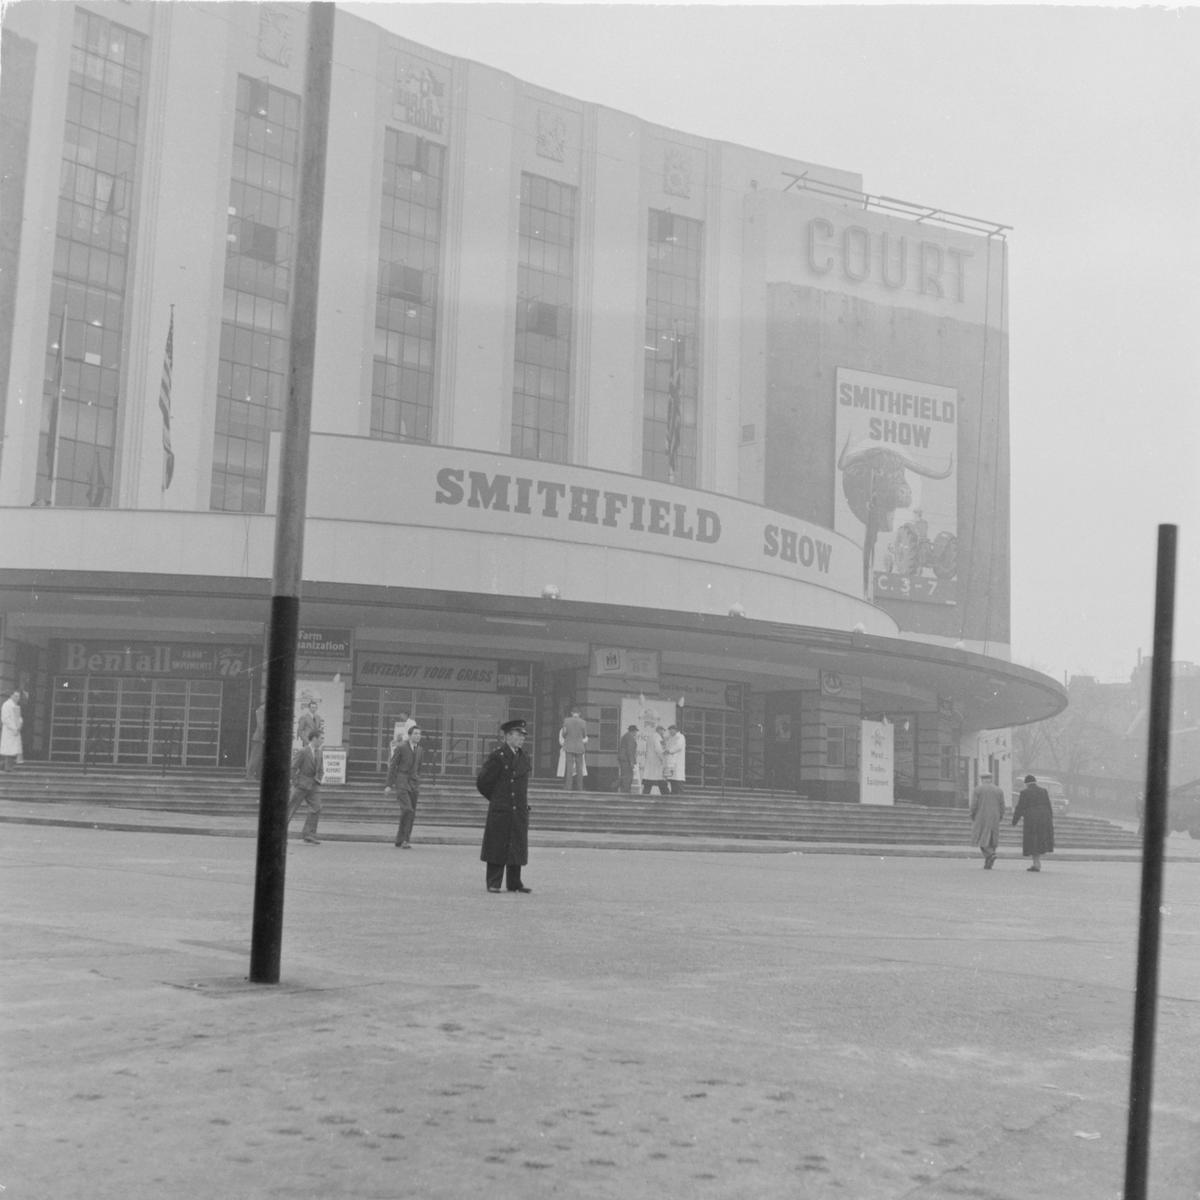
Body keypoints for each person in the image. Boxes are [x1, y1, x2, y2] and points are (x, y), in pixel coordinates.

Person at [476, 718, 532, 893]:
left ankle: (514, 882)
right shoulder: (498, 756)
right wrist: (497, 799)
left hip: (519, 809)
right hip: (502, 808)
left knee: (516, 844)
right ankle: (494, 882)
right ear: (508, 737)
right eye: (518, 735)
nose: (522, 739)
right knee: (497, 845)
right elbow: (483, 782)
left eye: (523, 736)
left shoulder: (524, 757)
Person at [385, 726, 424, 848]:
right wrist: (389, 784)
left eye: (419, 734)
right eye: (416, 733)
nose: (418, 736)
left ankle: (401, 839)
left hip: (414, 784)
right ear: (410, 735)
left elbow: (419, 767)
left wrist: (418, 780)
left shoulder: (420, 750)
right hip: (402, 781)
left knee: (410, 813)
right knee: (408, 809)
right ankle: (404, 839)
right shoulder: (401, 747)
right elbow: (393, 766)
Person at [287, 728, 324, 844]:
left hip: (314, 785)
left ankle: (309, 834)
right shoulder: (303, 751)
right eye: (321, 738)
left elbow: (321, 769)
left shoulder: (319, 752)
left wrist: (319, 779)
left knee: (316, 807)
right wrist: (295, 781)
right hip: (301, 784)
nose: (322, 741)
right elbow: (293, 767)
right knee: (290, 809)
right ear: (314, 739)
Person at [1012, 773, 1055, 872]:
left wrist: (1015, 821)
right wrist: (1050, 819)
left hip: (1031, 819)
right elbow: (1048, 805)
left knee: (1032, 841)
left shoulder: (1025, 793)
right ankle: (1036, 863)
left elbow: (1020, 808)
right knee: (1039, 841)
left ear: (1026, 784)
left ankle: (1036, 863)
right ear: (1035, 782)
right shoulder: (1044, 791)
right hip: (1044, 818)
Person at [969, 771, 1006, 868]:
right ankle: (988, 862)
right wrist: (1001, 815)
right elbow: (1002, 805)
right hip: (995, 817)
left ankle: (990, 854)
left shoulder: (978, 789)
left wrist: (972, 814)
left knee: (981, 838)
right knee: (992, 839)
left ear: (982, 779)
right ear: (991, 779)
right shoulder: (998, 790)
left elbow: (974, 805)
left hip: (981, 816)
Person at [559, 706, 588, 791]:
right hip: (579, 746)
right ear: (579, 713)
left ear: (571, 713)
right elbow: (584, 735)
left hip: (569, 746)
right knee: (579, 768)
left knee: (569, 767)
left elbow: (564, 733)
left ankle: (568, 787)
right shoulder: (583, 722)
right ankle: (580, 787)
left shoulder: (566, 721)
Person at [641, 725, 667, 795]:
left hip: (650, 762)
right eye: (663, 731)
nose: (663, 732)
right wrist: (663, 759)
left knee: (649, 781)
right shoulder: (658, 737)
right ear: (659, 730)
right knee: (660, 780)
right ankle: (667, 796)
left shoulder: (650, 737)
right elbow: (658, 749)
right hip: (656, 762)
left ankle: (644, 796)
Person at [661, 724, 687, 794]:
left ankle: (679, 798)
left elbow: (678, 747)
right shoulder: (671, 738)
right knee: (672, 781)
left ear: (675, 730)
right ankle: (673, 795)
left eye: (671, 731)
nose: (670, 732)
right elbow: (666, 743)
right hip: (671, 763)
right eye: (669, 731)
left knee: (678, 781)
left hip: (677, 762)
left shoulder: (680, 737)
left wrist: (669, 751)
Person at [1, 689, 23, 770]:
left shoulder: (16, 705)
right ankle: (7, 767)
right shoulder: (6, 705)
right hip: (9, 731)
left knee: (14, 749)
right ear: (11, 696)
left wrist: (20, 724)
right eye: (15, 696)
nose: (17, 698)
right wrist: (13, 727)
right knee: (9, 749)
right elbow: (5, 719)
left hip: (15, 730)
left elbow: (18, 718)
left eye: (18, 696)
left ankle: (8, 766)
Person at [245, 700, 266, 780]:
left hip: (262, 737)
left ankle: (257, 775)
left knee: (260, 758)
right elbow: (261, 725)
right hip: (259, 738)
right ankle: (249, 775)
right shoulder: (261, 709)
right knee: (255, 757)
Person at [617, 724, 639, 793]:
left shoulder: (626, 736)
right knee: (628, 777)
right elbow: (630, 750)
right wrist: (632, 762)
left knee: (624, 776)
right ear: (633, 731)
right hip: (627, 761)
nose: (636, 733)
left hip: (624, 760)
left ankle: (621, 789)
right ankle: (626, 792)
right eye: (635, 731)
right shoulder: (630, 737)